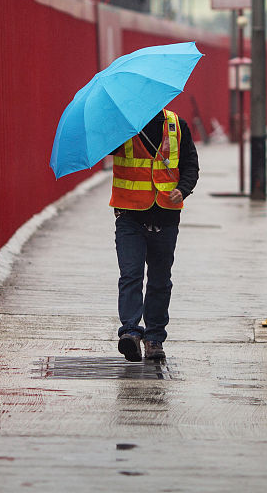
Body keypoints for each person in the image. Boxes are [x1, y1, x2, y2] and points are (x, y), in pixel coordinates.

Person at [110, 107, 199, 362]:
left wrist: (183, 189)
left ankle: (154, 339)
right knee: (131, 275)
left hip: (166, 216)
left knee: (160, 280)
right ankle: (130, 333)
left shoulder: (177, 125)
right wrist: (113, 130)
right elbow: (106, 151)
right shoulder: (123, 128)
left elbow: (191, 165)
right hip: (129, 216)